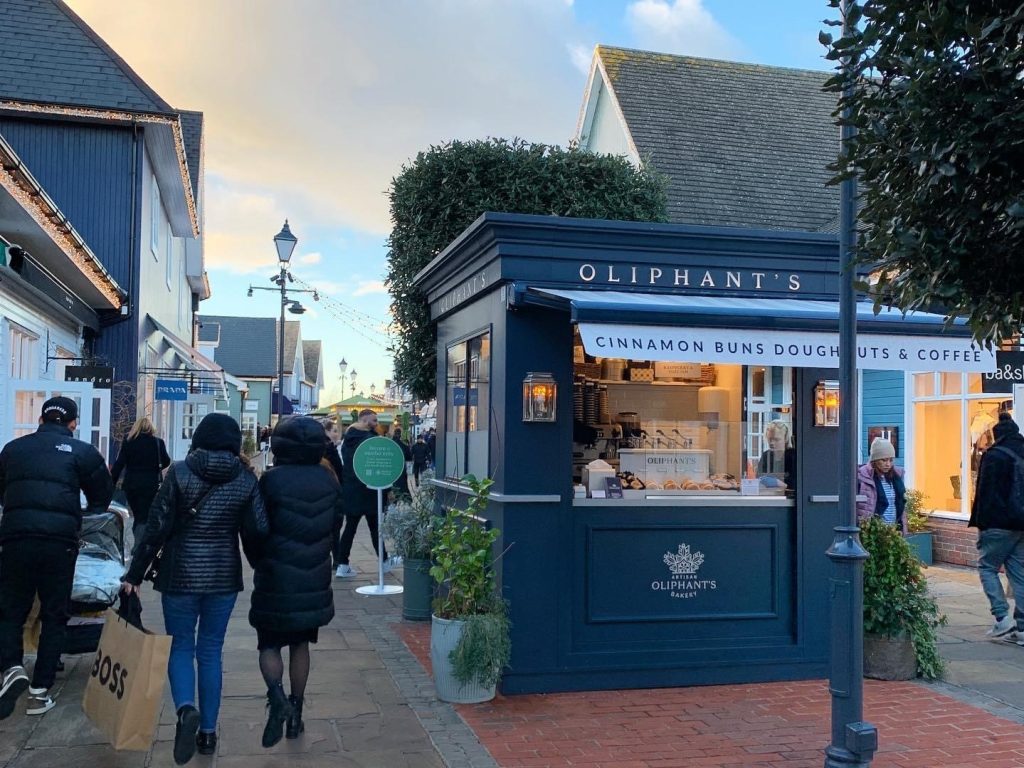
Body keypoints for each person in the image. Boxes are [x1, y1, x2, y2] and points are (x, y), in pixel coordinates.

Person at [122, 413, 268, 765]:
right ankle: (207, 732)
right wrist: (261, 568)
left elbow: (155, 528)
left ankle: (186, 709)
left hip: (180, 575)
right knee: (211, 650)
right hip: (222, 576)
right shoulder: (246, 479)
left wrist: (134, 574)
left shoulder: (180, 473)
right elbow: (258, 531)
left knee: (181, 646)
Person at [0, 397, 112, 719]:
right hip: (59, 542)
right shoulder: (82, 452)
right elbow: (101, 496)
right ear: (73, 423)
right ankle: (39, 691)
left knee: (10, 609)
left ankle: (11, 667)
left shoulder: (13, 449)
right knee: (54, 613)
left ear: (40, 418)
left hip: (16, 537)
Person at [250, 417, 343, 747]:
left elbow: (256, 528)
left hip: (275, 575)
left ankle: (277, 699)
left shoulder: (271, 481)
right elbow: (336, 528)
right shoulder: (329, 479)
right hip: (313, 575)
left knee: (269, 644)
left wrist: (258, 561)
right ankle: (296, 717)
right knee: (301, 644)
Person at [970, 411, 1024, 641]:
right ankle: (1022, 626)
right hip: (1021, 525)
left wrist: (980, 523)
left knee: (987, 567)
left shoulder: (993, 455)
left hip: (997, 523)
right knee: (1018, 572)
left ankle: (1002, 618)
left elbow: (985, 493)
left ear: (996, 435)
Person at [335, 409, 394, 577]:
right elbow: (382, 467)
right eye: (374, 420)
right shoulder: (372, 440)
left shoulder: (347, 440)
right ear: (366, 421)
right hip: (371, 490)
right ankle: (384, 562)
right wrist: (388, 490)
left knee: (350, 529)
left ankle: (342, 564)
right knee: (376, 529)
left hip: (352, 490)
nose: (377, 423)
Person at [110, 416, 171, 544]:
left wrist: (111, 483)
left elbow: (119, 464)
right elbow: (166, 461)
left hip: (132, 485)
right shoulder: (158, 443)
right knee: (146, 514)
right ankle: (141, 544)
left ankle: (139, 541)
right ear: (151, 428)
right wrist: (154, 468)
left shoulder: (129, 443)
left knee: (138, 514)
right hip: (151, 484)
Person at [856, 438, 907, 533]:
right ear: (875, 460)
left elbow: (900, 505)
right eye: (884, 460)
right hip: (873, 532)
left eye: (891, 460)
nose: (888, 464)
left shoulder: (896, 477)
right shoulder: (862, 476)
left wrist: (901, 528)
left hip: (893, 530)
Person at [757, 420, 795, 489]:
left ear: (785, 439)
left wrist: (777, 482)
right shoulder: (766, 455)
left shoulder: (794, 456)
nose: (772, 443)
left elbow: (798, 483)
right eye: (770, 439)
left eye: (776, 439)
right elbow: (759, 478)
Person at [391, 427, 412, 495]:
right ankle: (403, 498)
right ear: (400, 435)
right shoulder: (404, 446)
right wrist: (409, 472)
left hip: (391, 468)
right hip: (401, 468)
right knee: (402, 484)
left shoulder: (389, 444)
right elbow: (409, 459)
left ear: (394, 434)